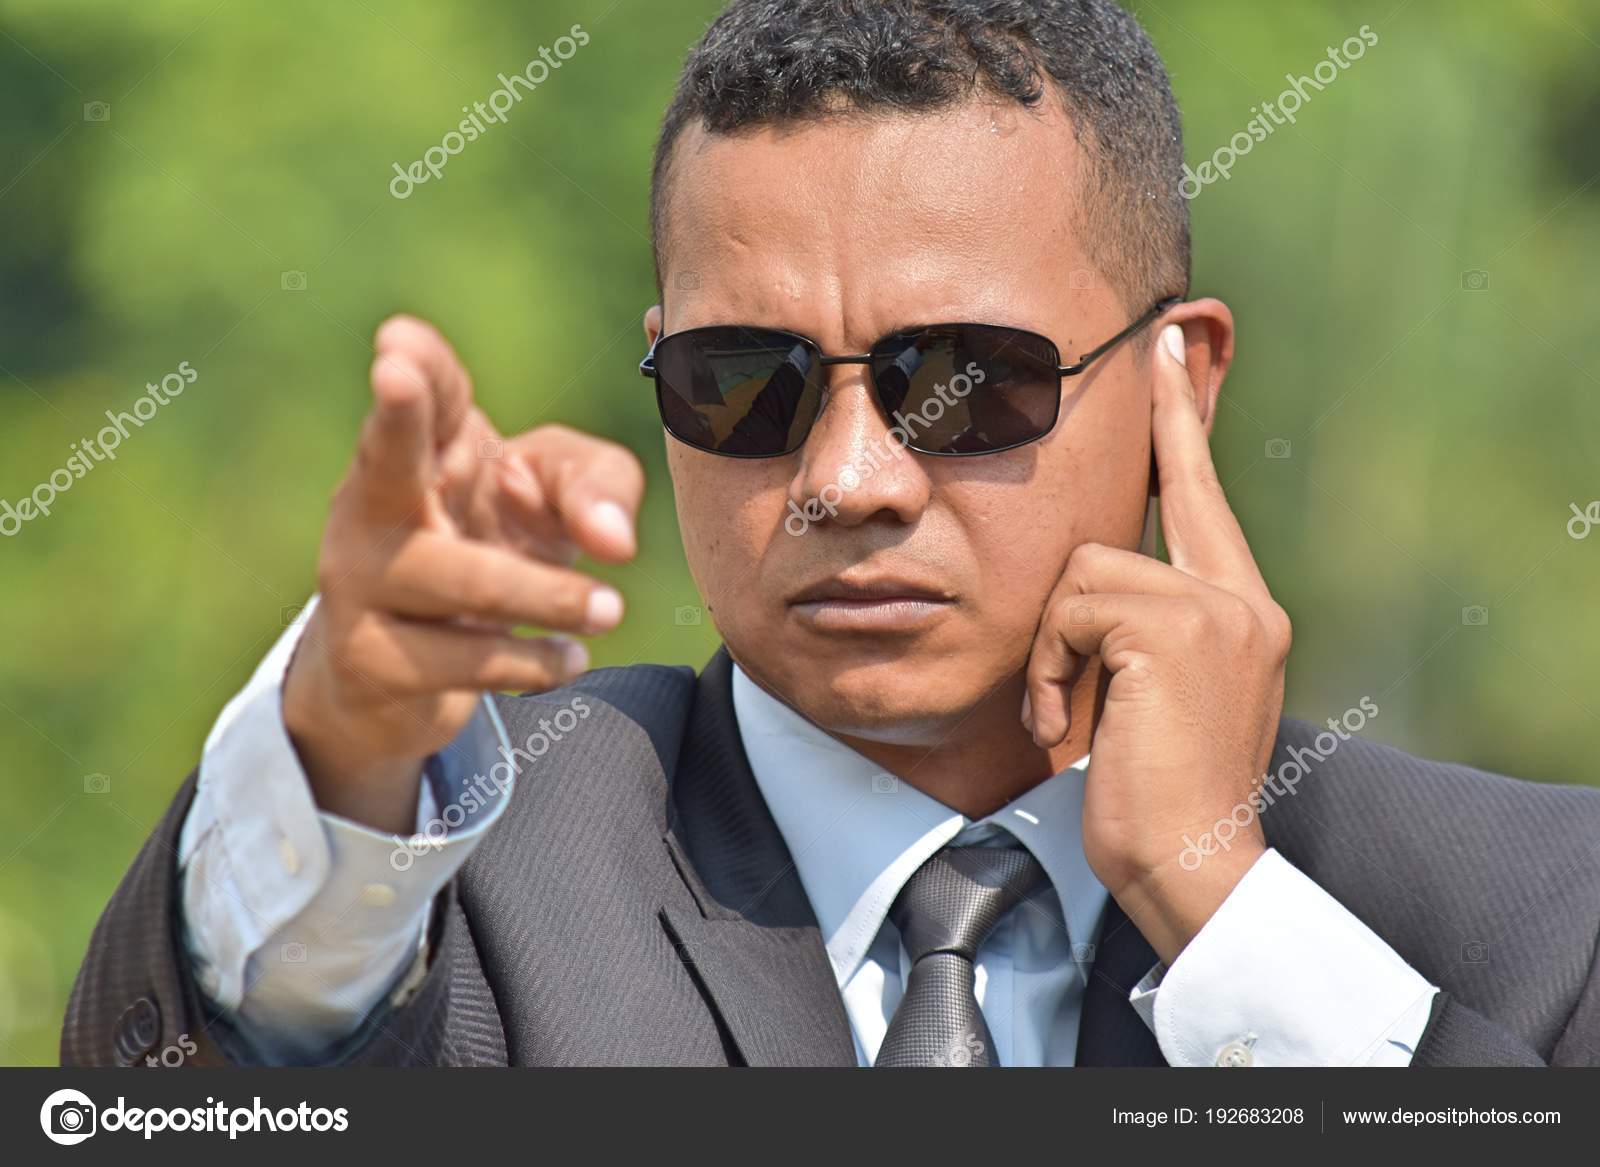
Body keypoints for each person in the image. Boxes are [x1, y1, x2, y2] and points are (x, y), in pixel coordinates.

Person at [64, 0, 1600, 1068]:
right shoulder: (470, 872)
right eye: (746, 385)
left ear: (1173, 382)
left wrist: (1217, 903)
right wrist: (340, 736)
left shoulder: (1537, 918)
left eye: (963, 383)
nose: (849, 475)